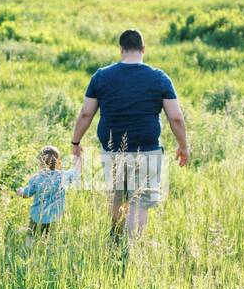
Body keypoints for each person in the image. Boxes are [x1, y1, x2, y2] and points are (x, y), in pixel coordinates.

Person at [70, 29, 189, 244]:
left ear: (121, 49)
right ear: (143, 49)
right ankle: (131, 248)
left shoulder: (101, 76)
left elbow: (86, 113)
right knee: (140, 202)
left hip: (112, 150)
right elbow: (177, 118)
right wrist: (183, 146)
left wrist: (75, 142)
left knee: (115, 197)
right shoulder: (159, 78)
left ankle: (115, 241)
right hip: (148, 151)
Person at [17, 145, 80, 234]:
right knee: (49, 238)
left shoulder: (36, 178)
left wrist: (20, 191)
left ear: (40, 163)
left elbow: (26, 194)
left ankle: (29, 246)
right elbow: (76, 170)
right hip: (54, 217)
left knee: (31, 235)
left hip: (36, 216)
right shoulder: (62, 177)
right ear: (59, 163)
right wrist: (78, 154)